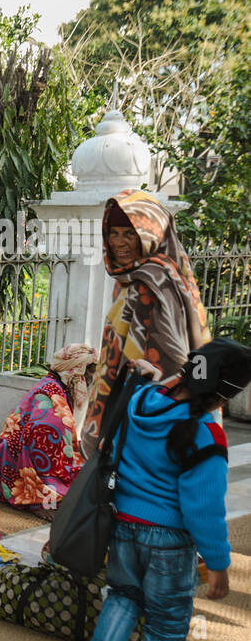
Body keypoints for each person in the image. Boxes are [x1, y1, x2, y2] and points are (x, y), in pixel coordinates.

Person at [81, 338, 251, 641]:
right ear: (224, 395)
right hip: (170, 542)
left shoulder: (141, 402)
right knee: (168, 620)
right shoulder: (205, 434)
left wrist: (167, 376)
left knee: (124, 596)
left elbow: (165, 386)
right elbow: (203, 509)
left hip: (123, 525)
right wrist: (219, 565)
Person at [81, 189, 211, 457]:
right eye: (114, 233)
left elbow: (164, 357)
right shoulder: (136, 278)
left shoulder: (150, 282)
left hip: (143, 408)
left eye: (130, 233)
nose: (119, 242)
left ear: (151, 234)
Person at [0, 343, 98, 517]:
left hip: (9, 456)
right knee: (86, 486)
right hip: (23, 463)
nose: (90, 381)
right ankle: (42, 501)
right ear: (76, 372)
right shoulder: (52, 396)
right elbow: (46, 449)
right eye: (89, 374)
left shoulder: (52, 384)